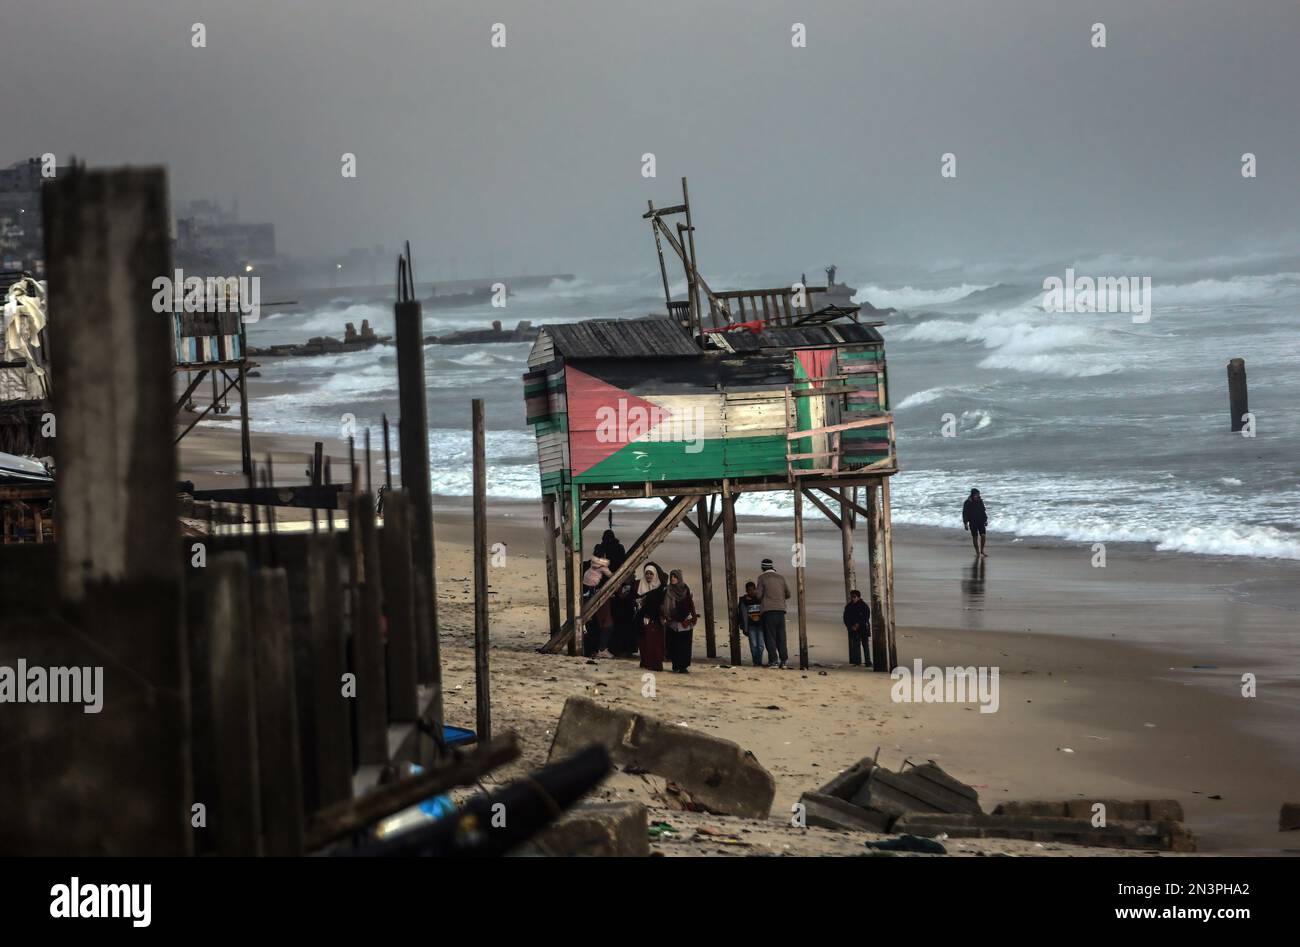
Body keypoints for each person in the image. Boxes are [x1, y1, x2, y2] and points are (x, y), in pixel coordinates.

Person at [755, 558, 790, 669]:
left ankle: (774, 661)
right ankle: (784, 661)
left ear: (762, 567)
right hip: (781, 610)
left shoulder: (762, 578)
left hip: (768, 611)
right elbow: (788, 594)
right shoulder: (781, 578)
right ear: (772, 567)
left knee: (770, 636)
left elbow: (758, 595)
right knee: (781, 637)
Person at [662, 569, 698, 673]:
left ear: (679, 578)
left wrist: (692, 616)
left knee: (685, 645)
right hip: (673, 622)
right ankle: (676, 665)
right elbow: (665, 606)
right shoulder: (668, 590)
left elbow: (690, 603)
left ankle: (683, 666)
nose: (673, 579)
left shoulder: (685, 588)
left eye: (675, 577)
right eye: (671, 577)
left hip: (685, 621)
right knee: (674, 644)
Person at [635, 562, 668, 671]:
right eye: (647, 573)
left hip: (654, 620)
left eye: (651, 574)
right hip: (642, 620)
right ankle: (645, 662)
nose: (648, 576)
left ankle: (655, 664)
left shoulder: (661, 589)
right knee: (643, 643)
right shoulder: (640, 587)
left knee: (655, 643)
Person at [582, 552, 614, 657]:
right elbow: (610, 576)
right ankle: (600, 649)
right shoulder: (601, 569)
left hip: (589, 599)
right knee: (602, 626)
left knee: (593, 627)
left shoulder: (587, 567)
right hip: (594, 600)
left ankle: (595, 649)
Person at [738, 581, 766, 667]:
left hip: (761, 625)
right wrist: (743, 627)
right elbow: (741, 615)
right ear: (746, 591)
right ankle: (756, 662)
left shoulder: (760, 599)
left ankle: (759, 661)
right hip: (751, 625)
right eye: (749, 590)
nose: (751, 592)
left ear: (755, 589)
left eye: (752, 590)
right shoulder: (744, 600)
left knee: (761, 645)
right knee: (753, 645)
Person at [843, 589, 872, 667]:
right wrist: (850, 626)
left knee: (865, 645)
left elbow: (866, 617)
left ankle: (868, 662)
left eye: (854, 597)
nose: (853, 598)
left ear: (859, 597)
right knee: (856, 645)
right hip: (853, 629)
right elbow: (845, 618)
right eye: (852, 597)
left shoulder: (864, 606)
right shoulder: (848, 606)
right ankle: (857, 662)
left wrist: (858, 624)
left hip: (863, 628)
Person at [962, 488, 988, 557]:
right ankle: (977, 552)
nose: (978, 495)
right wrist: (965, 523)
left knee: (983, 536)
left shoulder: (980, 501)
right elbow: (965, 513)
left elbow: (983, 511)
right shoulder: (967, 502)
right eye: (976, 494)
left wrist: (985, 520)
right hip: (972, 522)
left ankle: (982, 550)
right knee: (975, 537)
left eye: (978, 494)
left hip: (981, 521)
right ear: (973, 494)